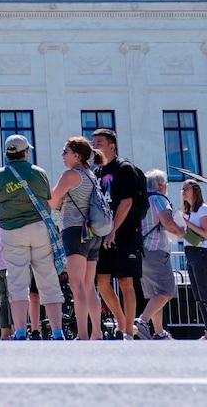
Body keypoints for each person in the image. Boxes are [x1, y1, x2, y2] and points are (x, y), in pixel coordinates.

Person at [0, 134, 63, 340]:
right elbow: (47, 197)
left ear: (7, 154)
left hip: (12, 230)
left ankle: (21, 332)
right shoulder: (39, 172)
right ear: (26, 152)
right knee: (48, 278)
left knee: (17, 281)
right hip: (39, 228)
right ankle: (57, 332)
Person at [91, 128, 147, 339]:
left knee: (126, 282)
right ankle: (124, 323)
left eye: (99, 143)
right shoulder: (97, 172)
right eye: (94, 143)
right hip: (102, 235)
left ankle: (128, 332)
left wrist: (113, 231)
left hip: (125, 233)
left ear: (112, 145)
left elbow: (127, 202)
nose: (95, 146)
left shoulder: (124, 168)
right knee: (102, 283)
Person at [48, 136, 103, 339]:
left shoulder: (71, 175)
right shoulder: (91, 174)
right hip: (93, 232)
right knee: (89, 286)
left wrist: (56, 196)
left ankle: (82, 334)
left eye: (65, 151)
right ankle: (96, 332)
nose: (62, 155)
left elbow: (52, 201)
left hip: (75, 231)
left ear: (76, 155)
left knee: (76, 285)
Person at [135, 169, 184, 339]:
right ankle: (142, 321)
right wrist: (180, 231)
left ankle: (159, 332)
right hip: (157, 250)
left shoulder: (140, 200)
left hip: (141, 251)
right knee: (167, 291)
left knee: (155, 295)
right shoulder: (159, 199)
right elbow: (167, 222)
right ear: (161, 185)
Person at [180, 181, 207, 329]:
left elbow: (205, 233)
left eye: (186, 189)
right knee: (197, 296)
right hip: (190, 253)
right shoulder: (188, 212)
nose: (183, 192)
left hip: (201, 253)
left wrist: (186, 222)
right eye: (182, 189)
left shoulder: (202, 209)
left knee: (204, 293)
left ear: (195, 191)